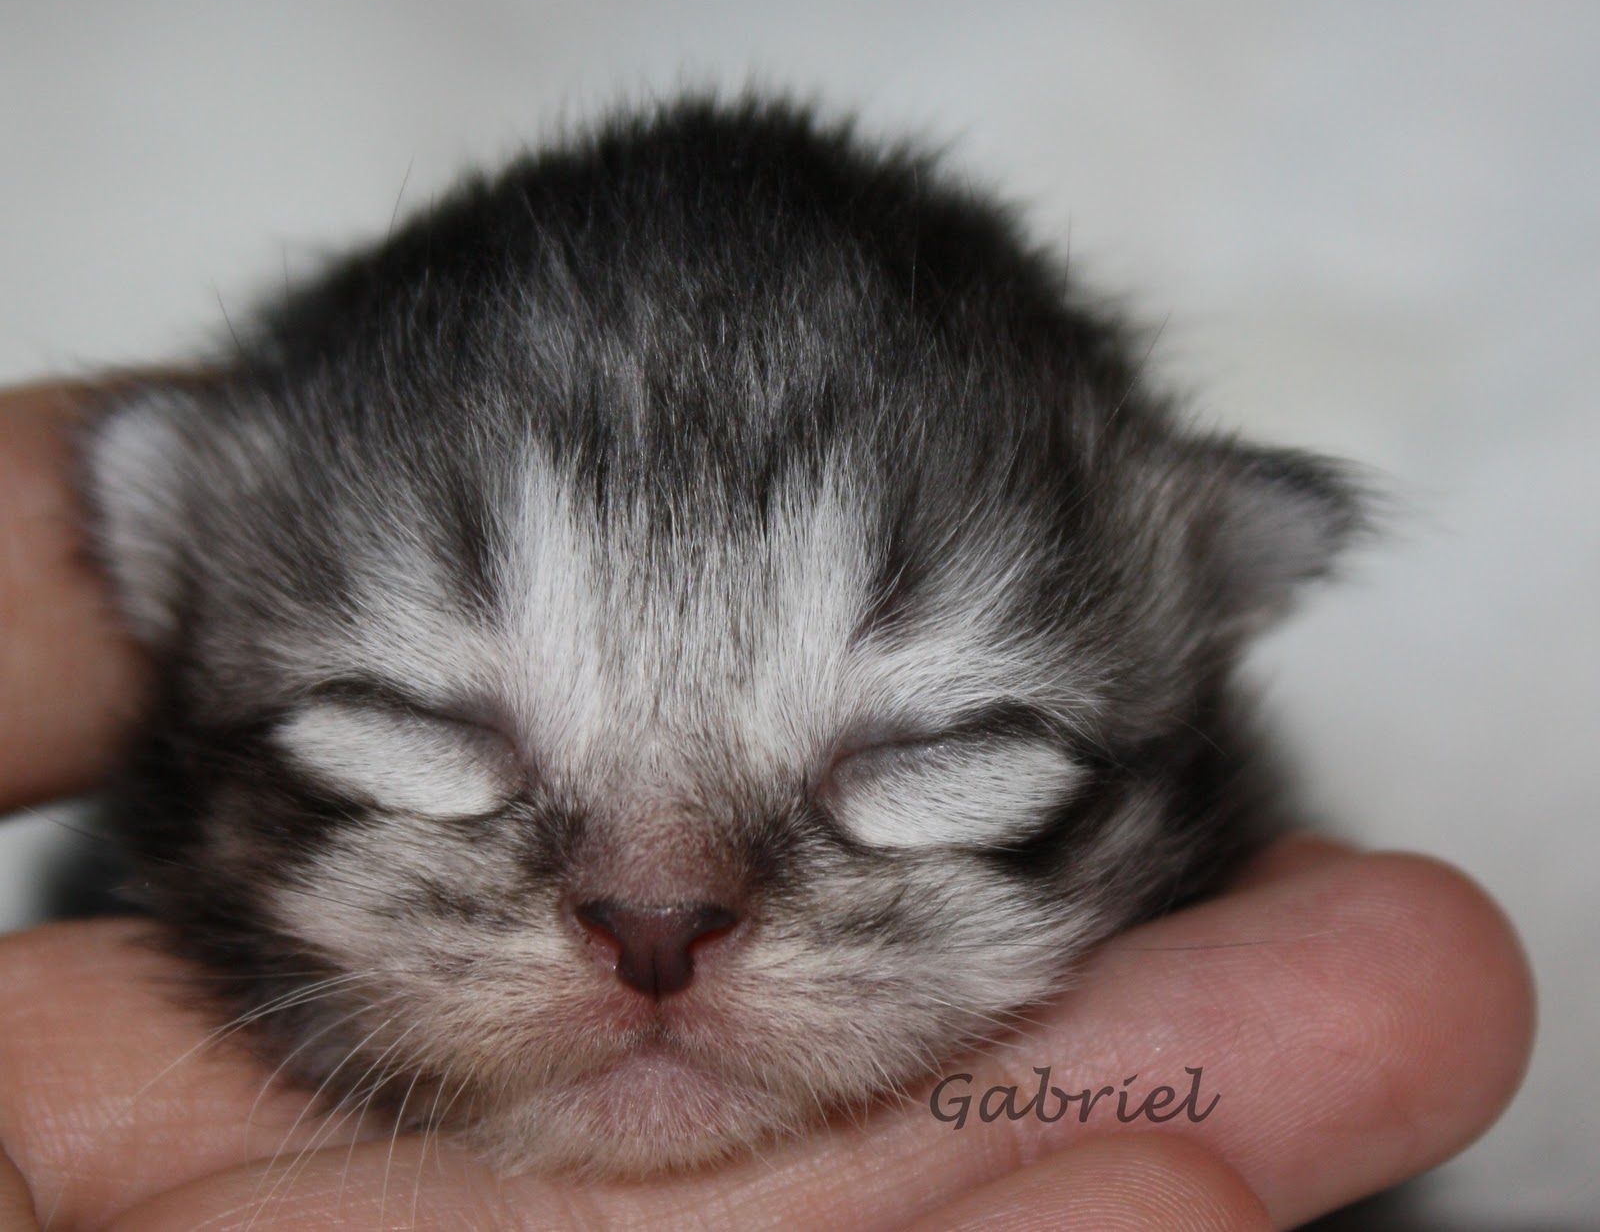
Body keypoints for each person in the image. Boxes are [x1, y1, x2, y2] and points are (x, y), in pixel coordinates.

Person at [0, 384, 1534, 1232]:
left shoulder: (1175, 1128)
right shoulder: (86, 1066)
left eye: (937, 744)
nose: (657, 903)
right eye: (416, 720)